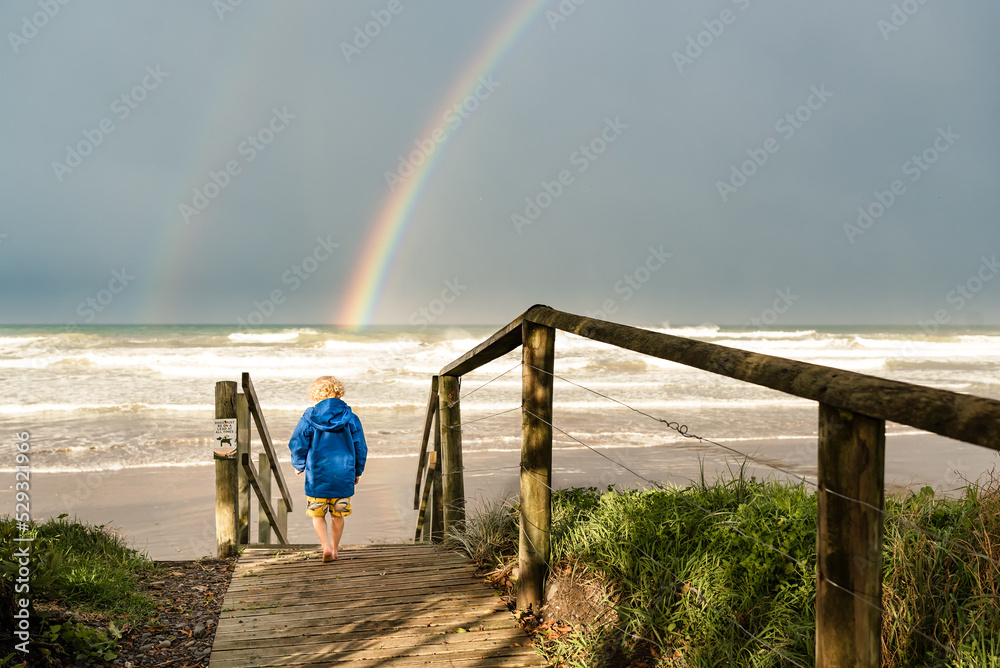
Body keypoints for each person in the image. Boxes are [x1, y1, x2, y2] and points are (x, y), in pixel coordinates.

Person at [288, 375, 367, 562]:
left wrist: (299, 464)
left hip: (317, 476)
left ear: (315, 395)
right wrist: (357, 471)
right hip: (343, 473)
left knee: (317, 514)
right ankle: (336, 548)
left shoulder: (309, 417)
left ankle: (325, 546)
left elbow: (298, 443)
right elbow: (360, 446)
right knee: (338, 514)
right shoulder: (350, 418)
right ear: (339, 392)